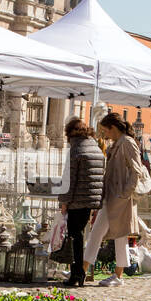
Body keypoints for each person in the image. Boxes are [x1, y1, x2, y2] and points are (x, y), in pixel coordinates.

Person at [83, 111, 140, 287]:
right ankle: (87, 270)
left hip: (119, 197)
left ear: (113, 128)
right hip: (113, 196)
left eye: (105, 130)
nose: (104, 134)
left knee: (113, 234)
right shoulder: (118, 143)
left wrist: (125, 193)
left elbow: (136, 170)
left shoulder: (127, 143)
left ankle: (113, 274)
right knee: (105, 234)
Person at [56, 117, 105, 287]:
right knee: (79, 236)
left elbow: (69, 179)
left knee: (74, 237)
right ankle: (79, 273)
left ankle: (77, 274)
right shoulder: (96, 148)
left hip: (77, 199)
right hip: (90, 200)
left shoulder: (76, 149)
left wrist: (64, 202)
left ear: (70, 133)